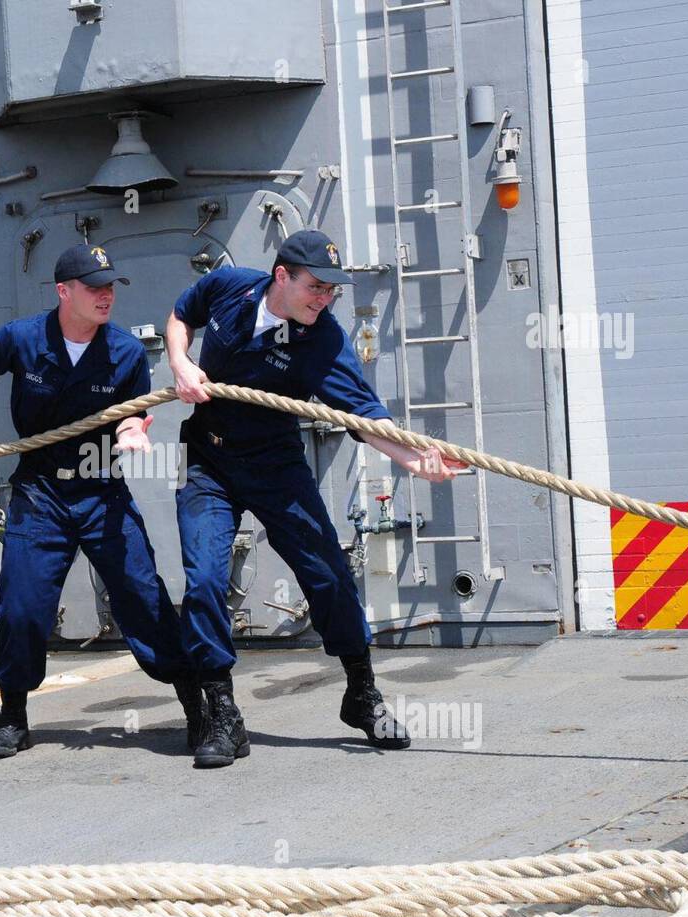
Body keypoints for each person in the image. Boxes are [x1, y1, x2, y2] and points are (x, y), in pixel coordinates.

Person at [166, 229, 465, 767]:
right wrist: (181, 364)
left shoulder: (323, 339)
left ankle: (361, 691)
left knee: (326, 572)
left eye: (333, 290)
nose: (325, 299)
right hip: (206, 460)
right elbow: (180, 315)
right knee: (204, 576)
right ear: (281, 277)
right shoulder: (230, 286)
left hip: (276, 464)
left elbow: (362, 417)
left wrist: (411, 459)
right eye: (316, 286)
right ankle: (222, 713)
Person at [0, 245, 201, 759]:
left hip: (100, 488)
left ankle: (197, 709)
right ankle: (15, 718)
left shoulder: (125, 352)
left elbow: (133, 413)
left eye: (110, 286)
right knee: (22, 605)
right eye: (94, 287)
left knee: (143, 596)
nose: (106, 295)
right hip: (41, 489)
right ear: (63, 291)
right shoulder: (22, 338)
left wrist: (133, 432)